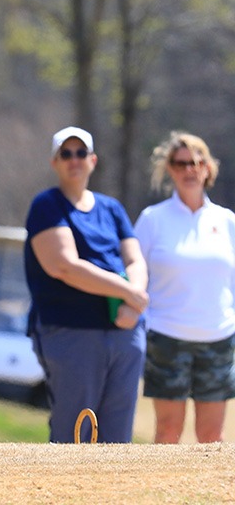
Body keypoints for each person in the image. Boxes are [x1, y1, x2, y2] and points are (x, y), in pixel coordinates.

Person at [23, 126, 150, 443]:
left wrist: (134, 306)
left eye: (81, 153)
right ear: (55, 162)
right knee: (73, 434)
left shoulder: (111, 208)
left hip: (124, 331)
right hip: (71, 332)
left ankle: (114, 495)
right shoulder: (47, 206)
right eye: (66, 154)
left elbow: (136, 260)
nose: (74, 160)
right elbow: (64, 266)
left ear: (93, 160)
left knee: (118, 438)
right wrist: (129, 293)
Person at [133, 131, 235, 443]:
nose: (188, 169)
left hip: (218, 338)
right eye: (179, 163)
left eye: (195, 162)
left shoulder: (227, 220)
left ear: (207, 168)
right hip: (167, 338)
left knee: (211, 436)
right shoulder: (153, 219)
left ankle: (212, 494)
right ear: (170, 170)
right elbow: (134, 270)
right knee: (167, 431)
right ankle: (159, 493)